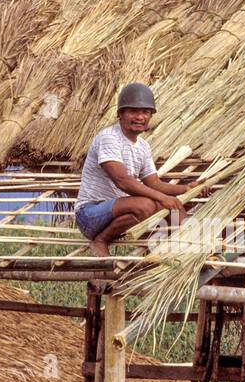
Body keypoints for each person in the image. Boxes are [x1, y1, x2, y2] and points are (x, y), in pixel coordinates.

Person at [73, 82, 194, 257]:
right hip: (90, 215)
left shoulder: (143, 146)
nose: (139, 117)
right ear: (120, 114)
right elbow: (122, 181)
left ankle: (186, 248)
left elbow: (154, 183)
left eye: (145, 112)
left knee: (174, 206)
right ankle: (100, 240)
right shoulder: (109, 138)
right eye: (133, 111)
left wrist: (187, 188)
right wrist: (162, 198)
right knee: (147, 204)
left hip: (117, 215)